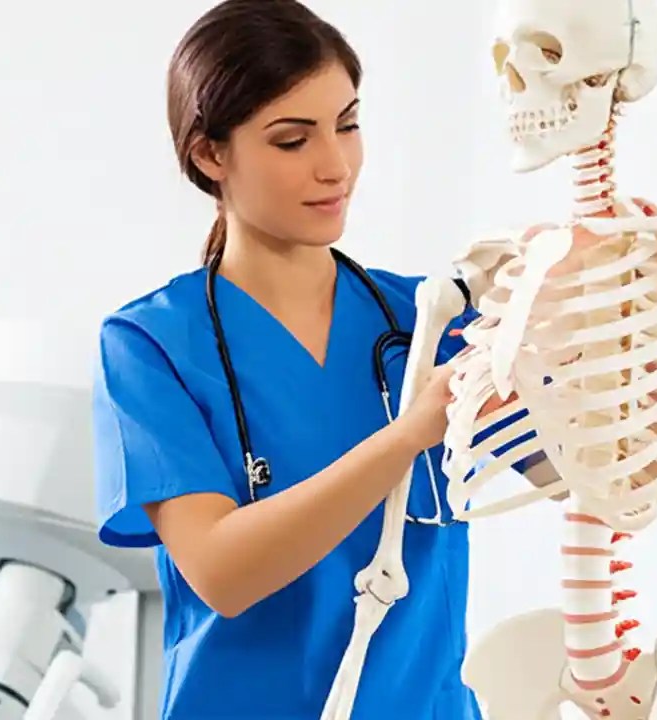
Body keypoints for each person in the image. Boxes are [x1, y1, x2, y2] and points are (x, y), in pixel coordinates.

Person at [91, 2, 537, 717]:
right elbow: (223, 572)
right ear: (211, 155)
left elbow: (601, 480)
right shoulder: (151, 345)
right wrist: (406, 437)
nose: (336, 166)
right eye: (293, 140)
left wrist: (592, 309)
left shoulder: (429, 320)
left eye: (348, 125)